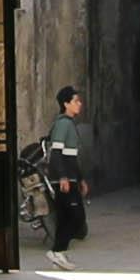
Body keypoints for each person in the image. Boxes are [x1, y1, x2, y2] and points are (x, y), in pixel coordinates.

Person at [25, 82, 94, 254]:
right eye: (76, 101)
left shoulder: (69, 124)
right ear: (66, 104)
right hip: (63, 179)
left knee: (73, 216)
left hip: (70, 177)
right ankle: (57, 252)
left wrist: (80, 179)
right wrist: (63, 177)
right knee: (70, 216)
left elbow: (71, 157)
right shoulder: (63, 125)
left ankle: (58, 252)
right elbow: (56, 154)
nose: (80, 104)